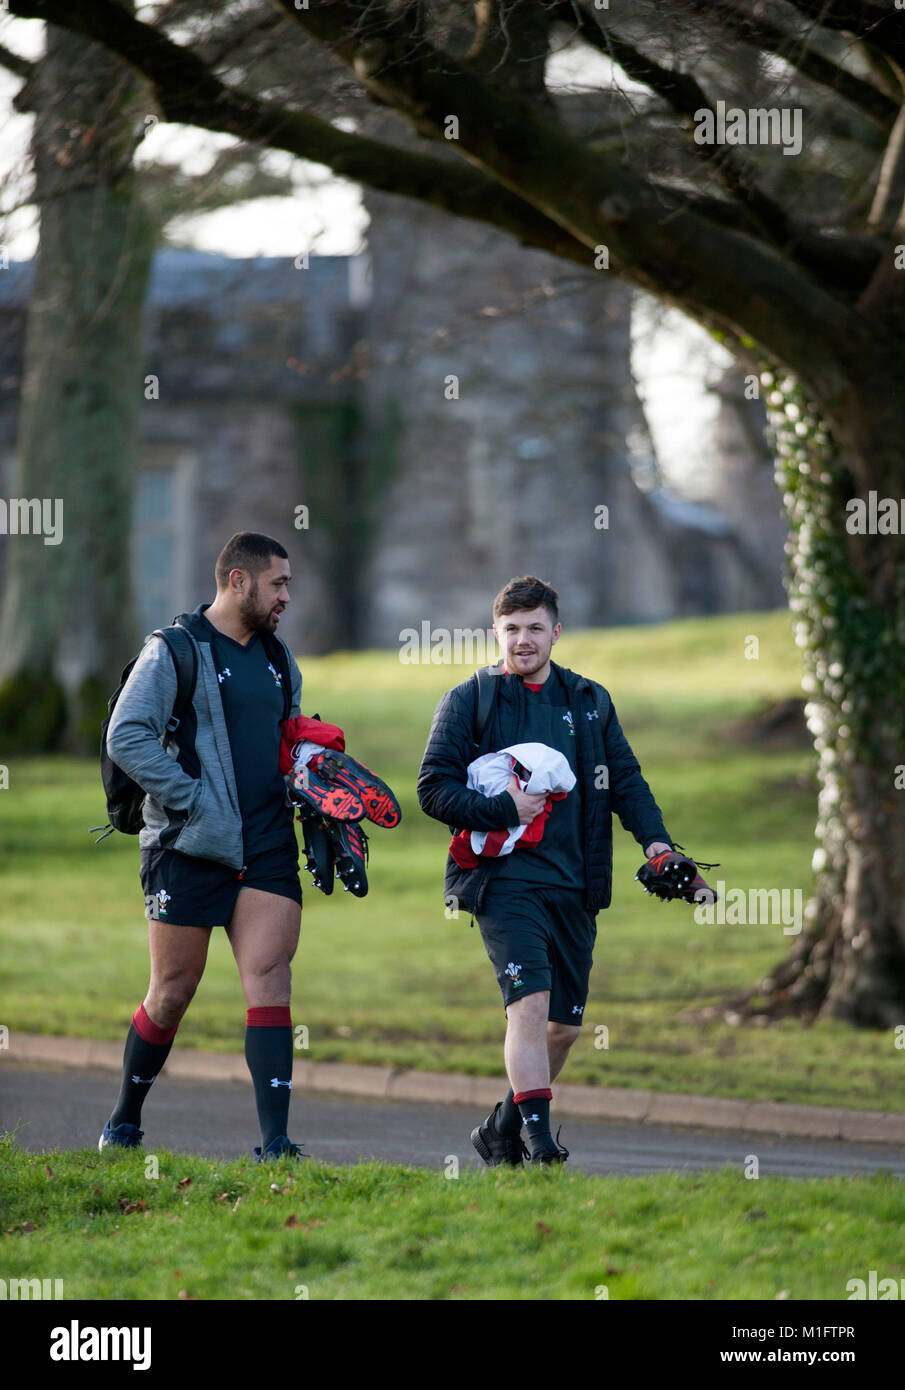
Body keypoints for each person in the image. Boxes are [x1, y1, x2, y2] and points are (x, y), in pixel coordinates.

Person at [417, 575, 674, 1165]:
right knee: (528, 1007)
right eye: (512, 629)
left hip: (577, 884)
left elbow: (626, 782)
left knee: (563, 1028)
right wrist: (502, 809)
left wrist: (657, 844)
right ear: (496, 632)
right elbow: (433, 790)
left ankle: (501, 1128)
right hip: (503, 882)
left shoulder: (589, 701)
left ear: (556, 632)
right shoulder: (469, 700)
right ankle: (538, 1144)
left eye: (535, 628)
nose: (523, 640)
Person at [99, 531, 306, 1161]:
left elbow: (288, 739)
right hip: (188, 845)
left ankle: (275, 1146)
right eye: (278, 583)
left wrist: (316, 785)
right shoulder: (174, 650)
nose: (286, 597)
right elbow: (126, 735)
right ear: (238, 581)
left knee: (269, 981)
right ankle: (124, 1122)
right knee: (173, 990)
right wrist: (191, 797)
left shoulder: (278, 658)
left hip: (268, 842)